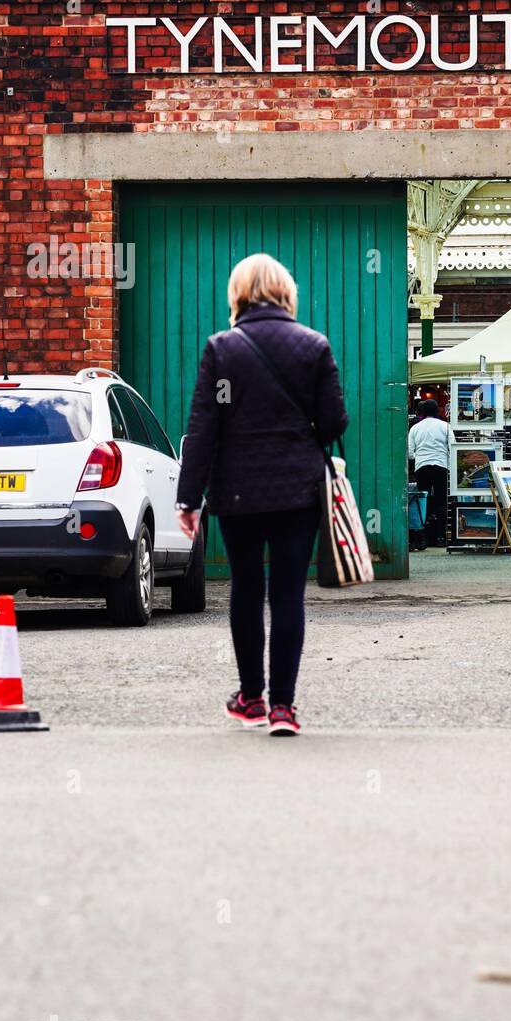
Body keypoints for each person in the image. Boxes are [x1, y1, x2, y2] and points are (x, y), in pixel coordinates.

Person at [176, 253, 347, 737]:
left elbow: (204, 427)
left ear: (238, 293)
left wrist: (189, 500)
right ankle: (284, 709)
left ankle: (251, 697)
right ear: (286, 292)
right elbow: (335, 422)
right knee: (289, 593)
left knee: (247, 590)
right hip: (298, 491)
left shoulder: (222, 349)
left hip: (237, 493)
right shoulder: (313, 346)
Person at [407, 398, 452, 550]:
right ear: (437, 411)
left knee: (423, 502)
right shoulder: (446, 426)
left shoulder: (415, 428)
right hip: (441, 466)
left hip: (422, 467)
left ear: (422, 412)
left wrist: (421, 455)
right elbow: (453, 447)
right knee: (441, 501)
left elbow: (410, 454)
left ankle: (422, 537)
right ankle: (441, 537)